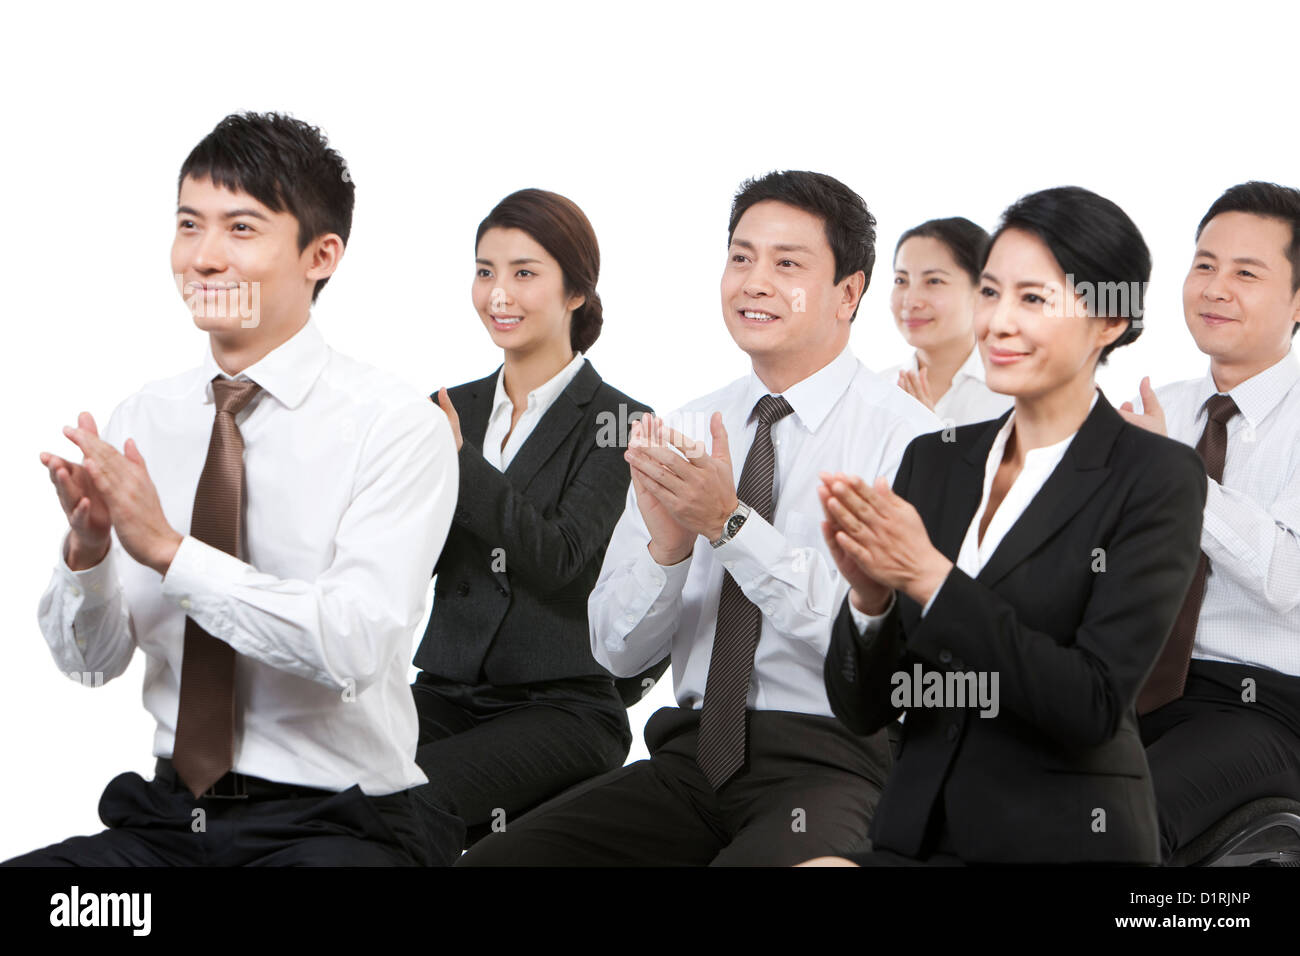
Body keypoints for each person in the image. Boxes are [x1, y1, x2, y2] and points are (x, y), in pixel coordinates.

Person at [5, 112, 460, 867]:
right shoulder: (142, 418)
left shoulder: (396, 427)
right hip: (169, 823)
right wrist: (86, 555)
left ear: (322, 255)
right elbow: (90, 665)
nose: (205, 258)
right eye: (190, 225)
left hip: (339, 826)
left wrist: (171, 551)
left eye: (241, 229)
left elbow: (352, 645)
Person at [459, 170, 940, 867]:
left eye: (786, 263)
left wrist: (731, 525)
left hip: (834, 761)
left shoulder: (909, 441)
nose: (753, 281)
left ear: (849, 293)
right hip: (689, 762)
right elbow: (616, 653)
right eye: (740, 257)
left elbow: (878, 645)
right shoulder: (682, 428)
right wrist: (668, 549)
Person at [809, 186, 1207, 865]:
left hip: (1061, 836)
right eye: (990, 293)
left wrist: (929, 577)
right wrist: (870, 599)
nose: (997, 321)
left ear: (1109, 321)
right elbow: (865, 710)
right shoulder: (933, 460)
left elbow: (1091, 702)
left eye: (1033, 298)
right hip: (915, 830)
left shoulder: (1156, 475)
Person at [407, 188, 654, 860]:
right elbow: (408, 557)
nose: (498, 294)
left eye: (523, 272)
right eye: (485, 271)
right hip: (443, 690)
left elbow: (561, 554)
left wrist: (458, 460)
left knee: (406, 801)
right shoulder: (448, 406)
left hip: (562, 706)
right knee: (317, 781)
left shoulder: (622, 423)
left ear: (576, 289)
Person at [1121, 181, 1300, 864]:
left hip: (1265, 706)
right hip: (1131, 689)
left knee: (1113, 824)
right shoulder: (1153, 408)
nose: (1215, 287)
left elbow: (1286, 579)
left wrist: (1175, 478)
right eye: (1204, 264)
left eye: (1246, 273)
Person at [878, 217, 1012, 426]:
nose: (911, 301)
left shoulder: (1012, 396)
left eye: (933, 281)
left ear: (982, 291)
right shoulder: (874, 391)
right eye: (901, 280)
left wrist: (929, 434)